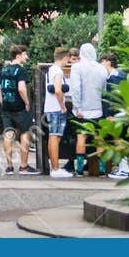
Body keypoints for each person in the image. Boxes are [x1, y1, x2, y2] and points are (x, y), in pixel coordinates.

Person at [67, 43, 108, 177]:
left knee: (81, 138)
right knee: (99, 139)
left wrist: (77, 107)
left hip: (82, 111)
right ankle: (102, 170)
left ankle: (79, 170)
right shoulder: (102, 68)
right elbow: (104, 89)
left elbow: (76, 89)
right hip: (98, 110)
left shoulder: (77, 67)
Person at [0, 45, 35, 174]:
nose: (27, 57)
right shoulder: (21, 70)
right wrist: (27, 102)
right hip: (20, 107)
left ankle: (9, 167)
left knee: (8, 134)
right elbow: (21, 88)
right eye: (25, 55)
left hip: (6, 107)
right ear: (18, 56)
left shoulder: (3, 70)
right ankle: (24, 166)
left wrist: (4, 102)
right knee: (25, 133)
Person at [44, 47, 74, 178]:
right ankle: (56, 169)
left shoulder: (51, 69)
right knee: (56, 137)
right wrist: (62, 106)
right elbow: (57, 90)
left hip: (50, 108)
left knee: (52, 136)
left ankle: (54, 167)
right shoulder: (58, 71)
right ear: (65, 57)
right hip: (56, 108)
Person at [100, 52, 129, 180]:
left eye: (102, 61)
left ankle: (125, 169)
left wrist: (110, 115)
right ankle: (123, 168)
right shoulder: (122, 75)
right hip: (124, 112)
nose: (100, 64)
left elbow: (113, 98)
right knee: (120, 139)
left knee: (118, 140)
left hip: (118, 113)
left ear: (108, 62)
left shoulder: (113, 78)